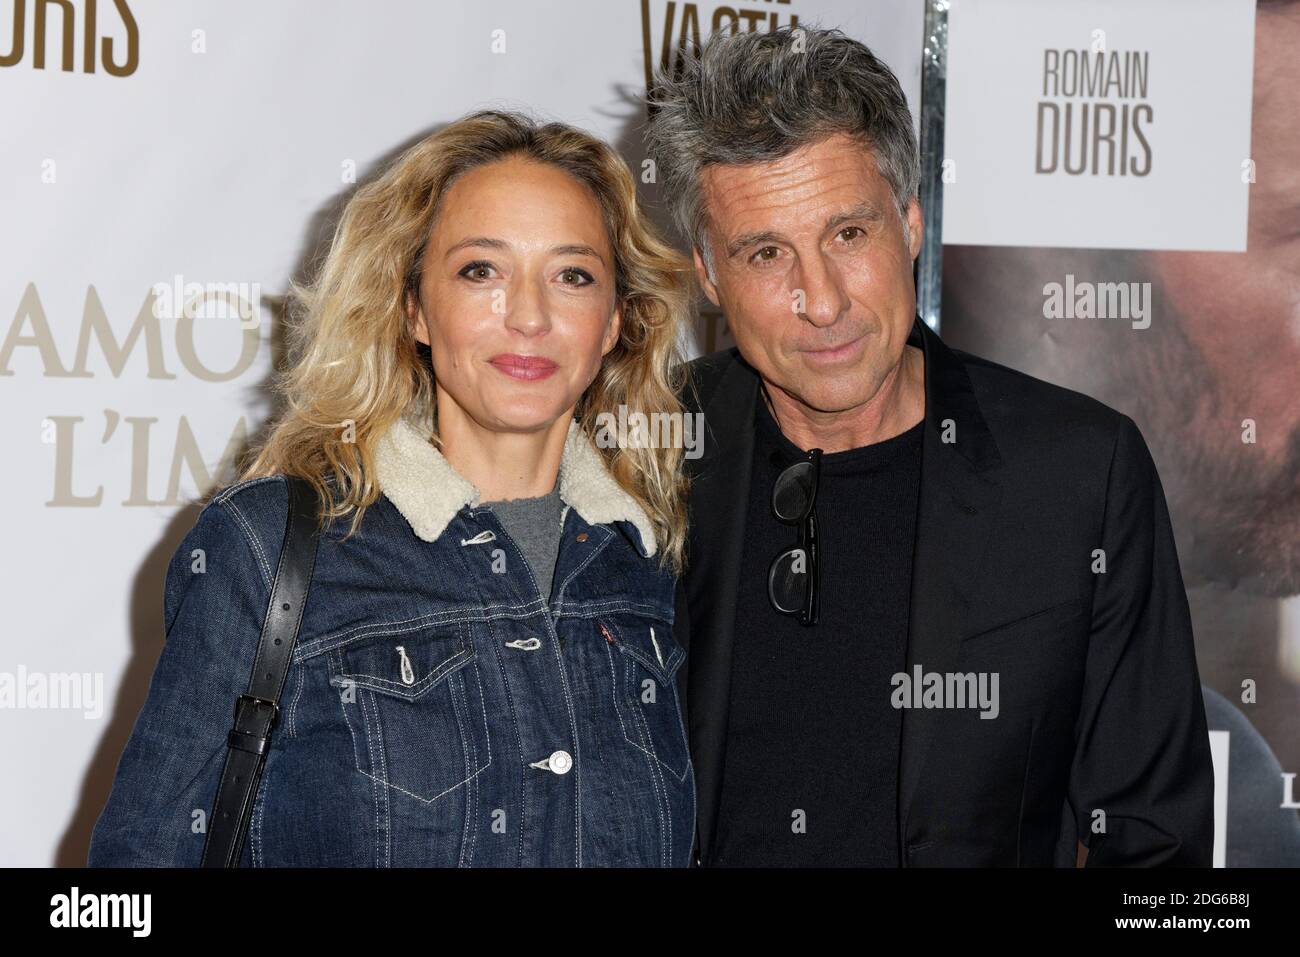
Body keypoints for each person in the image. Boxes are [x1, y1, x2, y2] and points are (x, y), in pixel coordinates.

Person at [646, 26, 1214, 866]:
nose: (824, 302)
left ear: (910, 225)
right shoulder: (643, 454)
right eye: (767, 253)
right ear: (708, 274)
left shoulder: (1078, 473)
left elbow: (1158, 847)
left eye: (849, 234)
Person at [88, 109, 696, 867]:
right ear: (414, 308)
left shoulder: (643, 564)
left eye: (572, 275)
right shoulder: (270, 547)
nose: (531, 316)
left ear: (612, 321)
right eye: (482, 271)